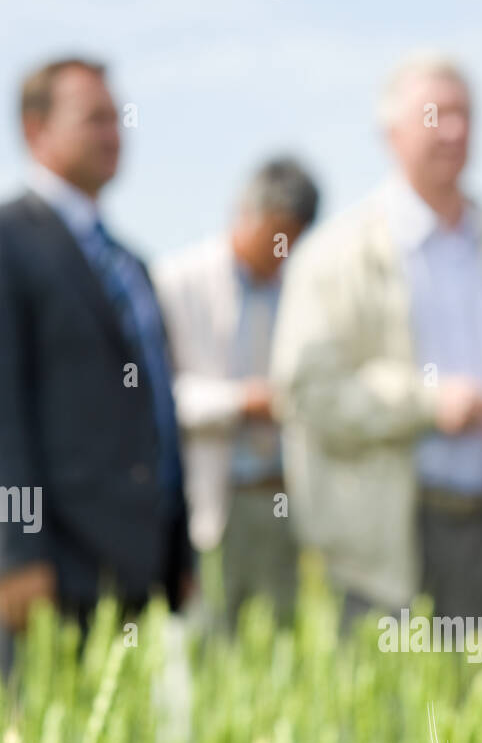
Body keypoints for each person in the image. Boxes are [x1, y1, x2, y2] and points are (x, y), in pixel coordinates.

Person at [269, 52, 482, 628]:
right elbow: (307, 392)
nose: (455, 131)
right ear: (391, 132)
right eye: (437, 115)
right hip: (384, 542)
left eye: (465, 116)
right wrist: (428, 404)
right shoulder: (333, 257)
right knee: (390, 712)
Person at [0, 58, 190, 666]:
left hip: (139, 571)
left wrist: (178, 551)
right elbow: (4, 414)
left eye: (117, 119)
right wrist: (16, 553)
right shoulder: (10, 242)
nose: (114, 134)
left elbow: (158, 409)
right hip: (56, 570)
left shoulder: (130, 264)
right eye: (95, 119)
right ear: (36, 129)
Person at [155, 159, 319, 625]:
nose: (280, 251)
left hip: (282, 502)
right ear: (243, 214)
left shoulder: (303, 290)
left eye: (293, 239)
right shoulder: (177, 281)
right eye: (274, 235)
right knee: (202, 643)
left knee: (280, 650)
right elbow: (155, 395)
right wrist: (239, 402)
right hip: (212, 501)